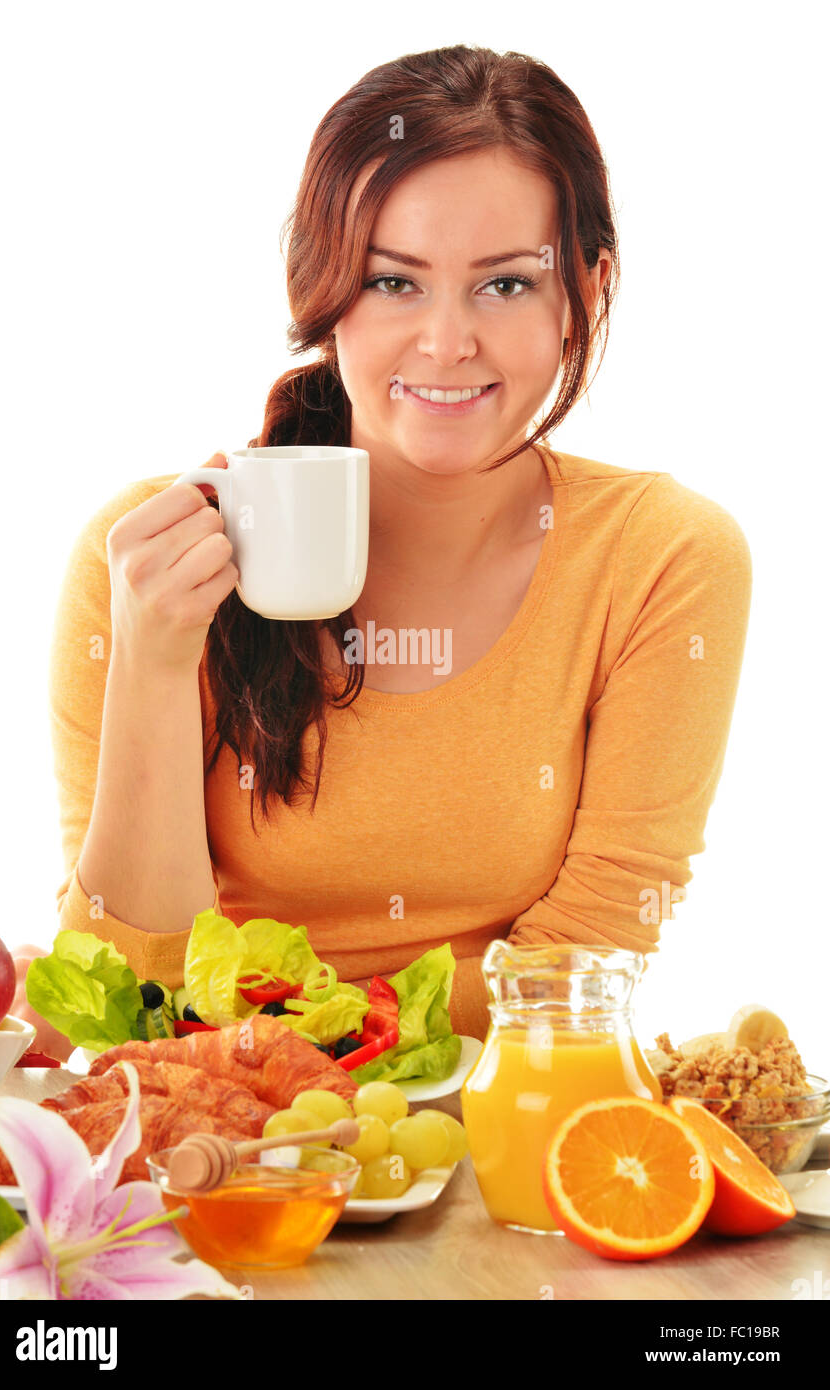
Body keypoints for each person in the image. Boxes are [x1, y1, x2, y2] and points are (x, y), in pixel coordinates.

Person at [41, 45, 751, 1042]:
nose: (448, 342)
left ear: (587, 286)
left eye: (505, 286)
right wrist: (158, 660)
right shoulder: (148, 560)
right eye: (393, 283)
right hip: (219, 1158)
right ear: (322, 289)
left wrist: (288, 1044)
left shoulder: (664, 558)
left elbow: (585, 961)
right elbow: (130, 997)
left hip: (488, 1147)